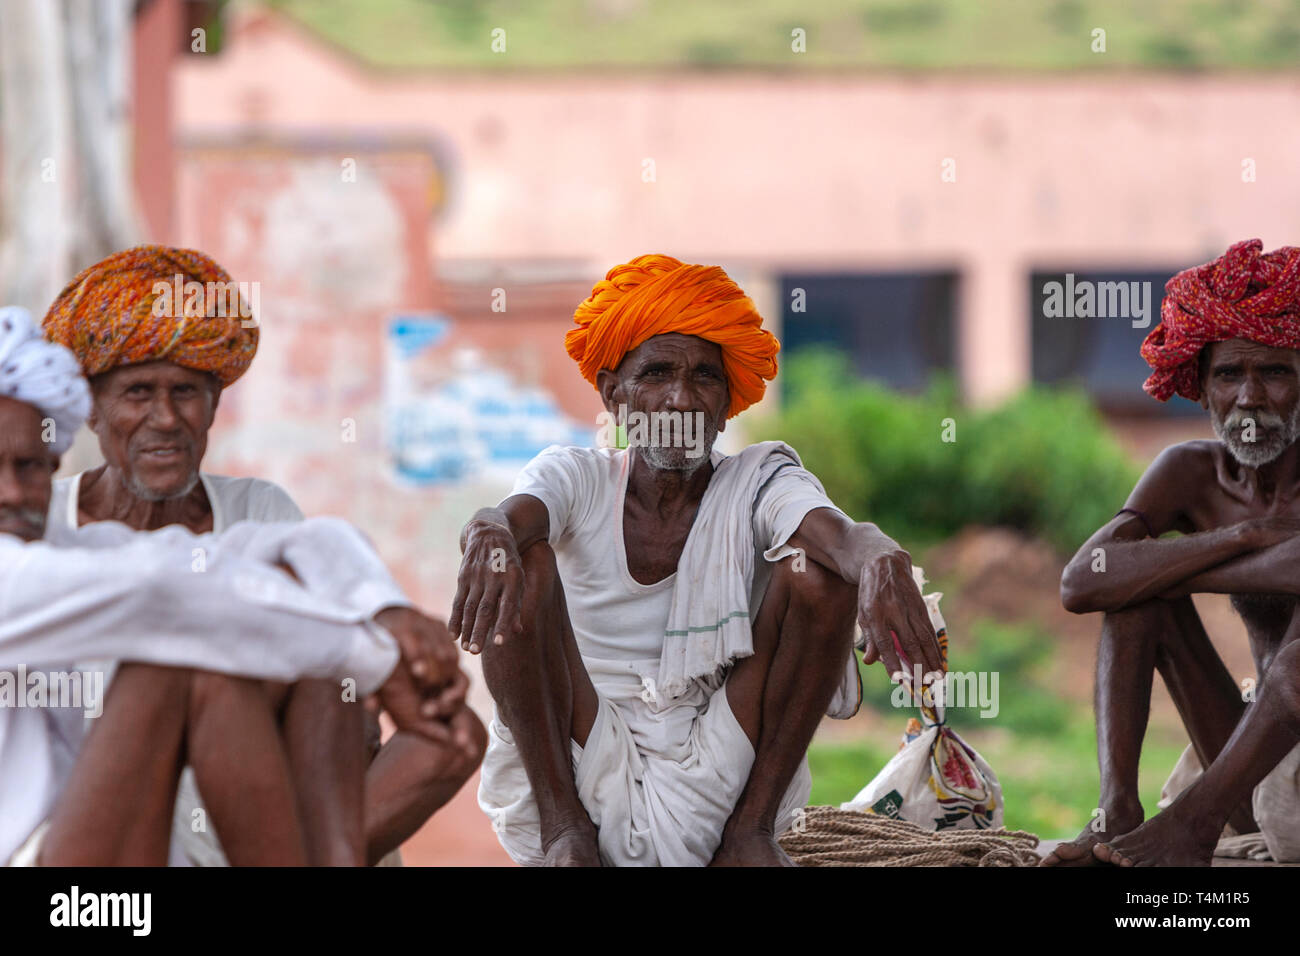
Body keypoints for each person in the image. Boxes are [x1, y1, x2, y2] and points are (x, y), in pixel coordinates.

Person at [455, 254, 943, 866]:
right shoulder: (575, 475)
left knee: (815, 572)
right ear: (614, 393)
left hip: (716, 758)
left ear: (726, 401)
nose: (680, 399)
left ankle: (753, 831)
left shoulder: (759, 480)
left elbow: (837, 534)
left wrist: (879, 557)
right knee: (521, 561)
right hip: (576, 749)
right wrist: (488, 531)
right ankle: (562, 833)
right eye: (656, 373)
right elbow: (510, 515)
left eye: (705, 378)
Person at [41, 247, 484, 865]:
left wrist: (383, 629)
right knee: (217, 664)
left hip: (255, 826)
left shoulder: (258, 510)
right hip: (108, 849)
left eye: (186, 393)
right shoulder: (37, 528)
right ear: (91, 407)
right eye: (138, 391)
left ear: (215, 406)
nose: (165, 419)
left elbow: (301, 566)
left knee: (429, 722)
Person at [1044, 239, 1300, 866]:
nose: (1250, 398)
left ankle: (1192, 824)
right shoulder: (1190, 471)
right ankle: (1116, 813)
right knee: (1137, 602)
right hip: (1252, 769)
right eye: (1228, 375)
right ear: (1202, 389)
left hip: (1276, 770)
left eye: (1274, 372)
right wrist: (1247, 538)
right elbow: (1084, 582)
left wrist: (1174, 564)